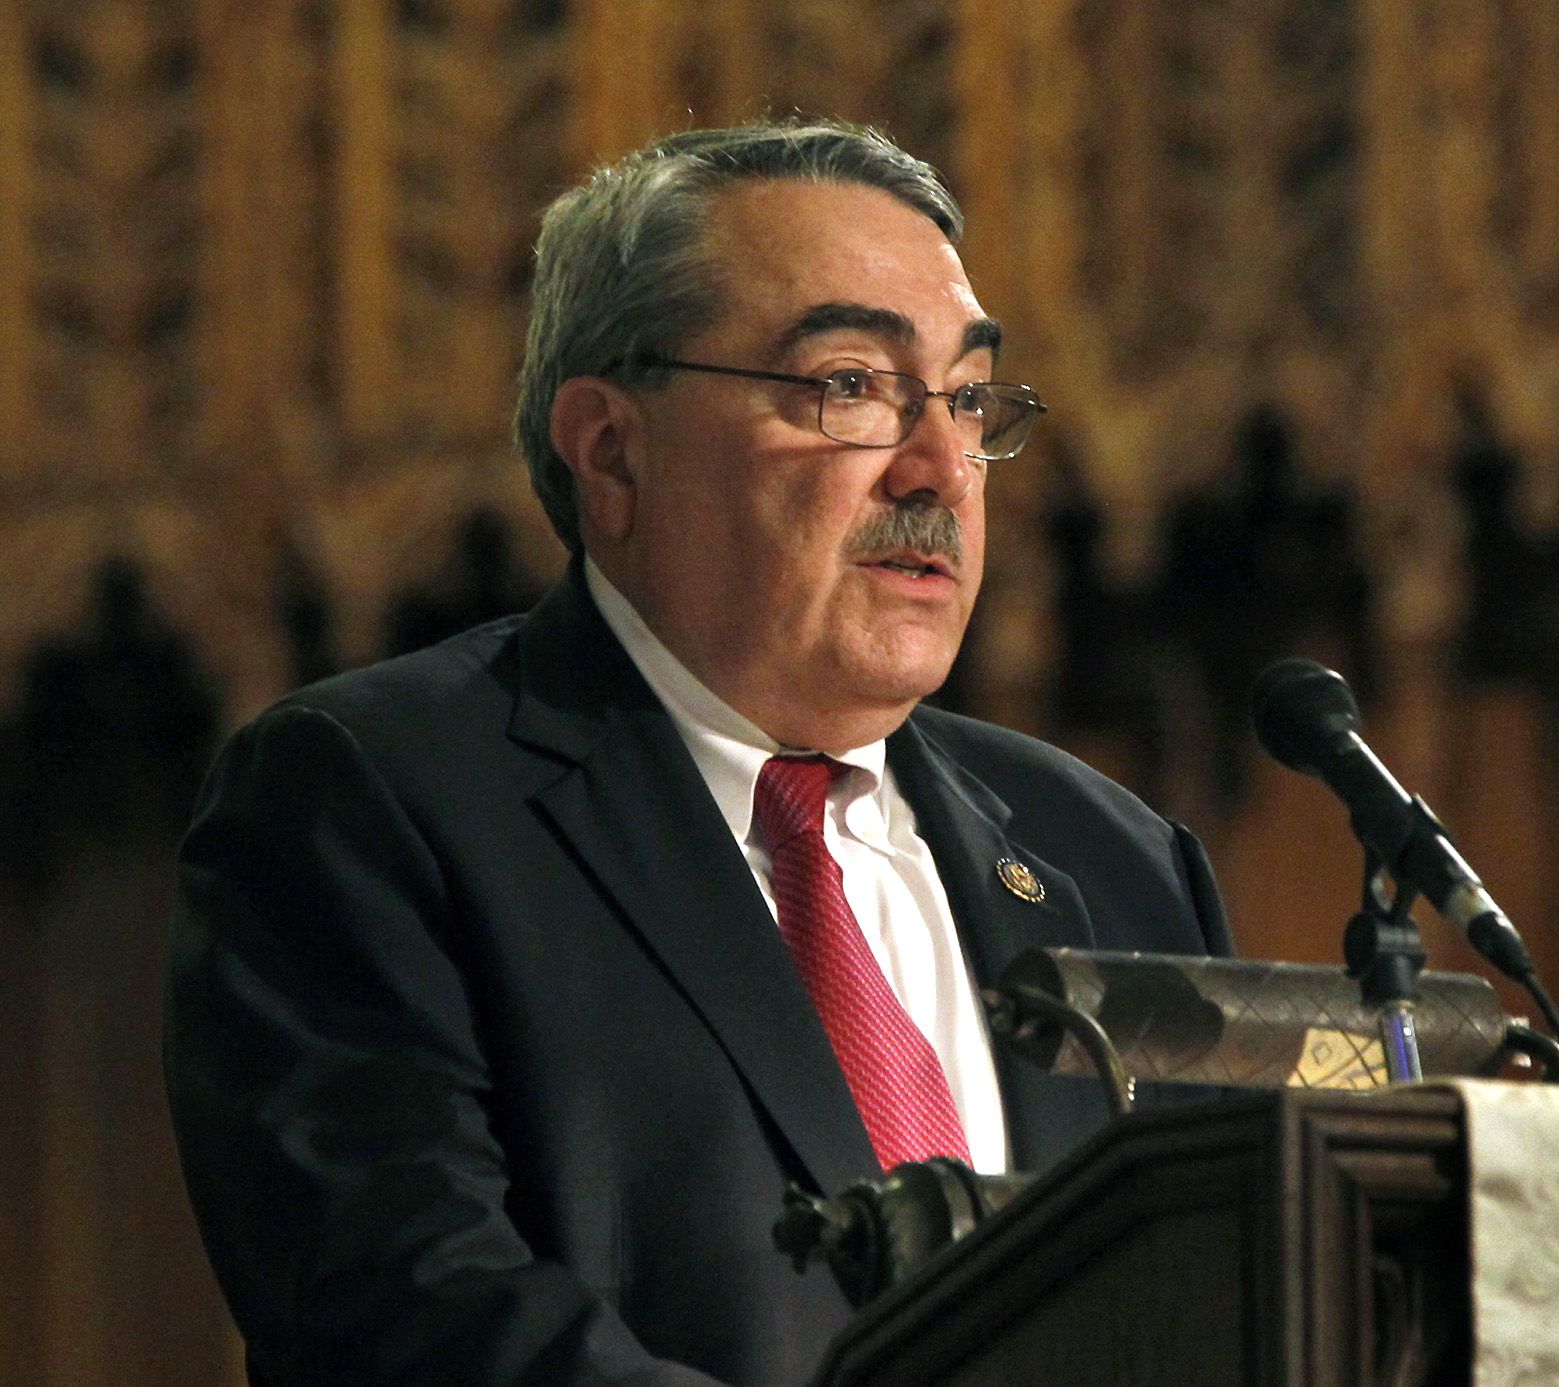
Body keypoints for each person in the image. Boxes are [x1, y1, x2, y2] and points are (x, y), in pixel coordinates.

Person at [165, 120, 1231, 1387]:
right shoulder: (373, 802)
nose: (942, 465)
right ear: (612, 449)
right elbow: (421, 1325)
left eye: (968, 396)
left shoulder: (1110, 859)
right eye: (849, 384)